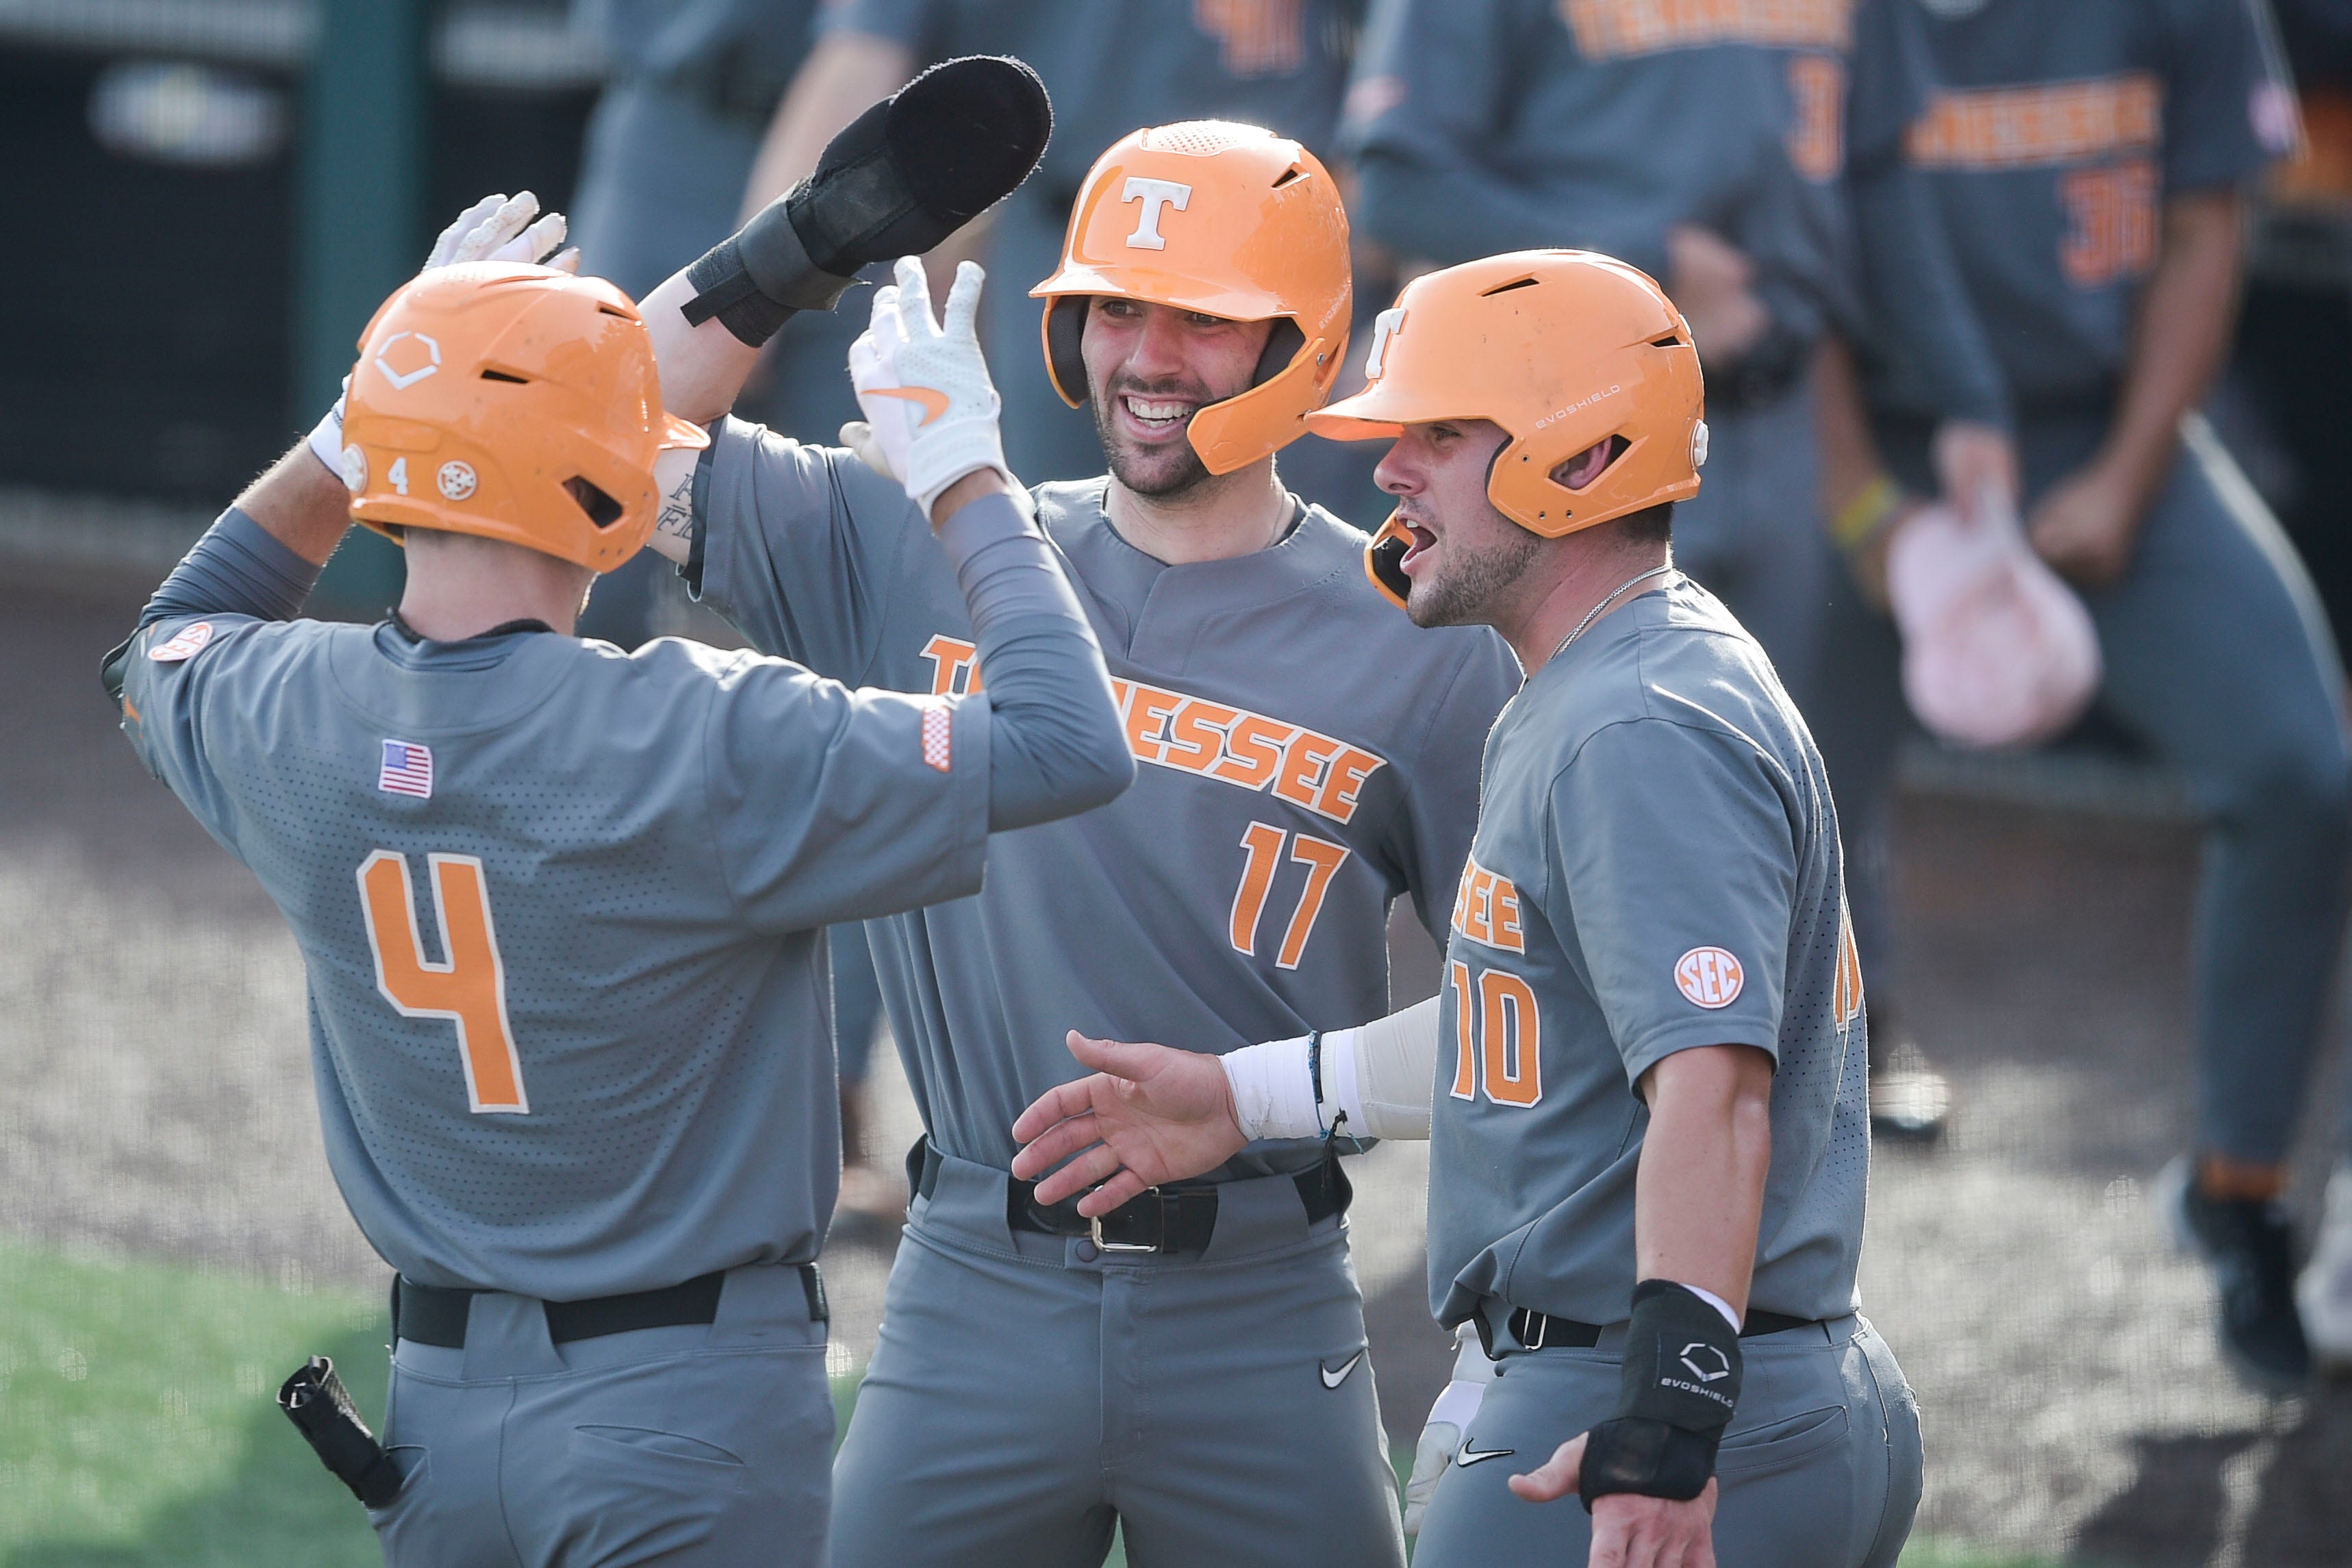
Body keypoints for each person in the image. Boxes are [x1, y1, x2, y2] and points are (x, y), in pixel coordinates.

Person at [105, 65, 1113, 1564]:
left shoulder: (277, 713)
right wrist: (968, 475)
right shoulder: (703, 731)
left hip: (441, 1434)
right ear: (626, 492)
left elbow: (170, 627)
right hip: (684, 1425)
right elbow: (1067, 742)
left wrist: (394, 388)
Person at [642, 117, 1521, 1567]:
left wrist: (1497, 1322)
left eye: (1203, 319)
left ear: (1304, 342)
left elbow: (1534, 1017)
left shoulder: (1426, 639)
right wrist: (800, 244)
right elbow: (580, 430)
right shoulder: (911, 532)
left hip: (1261, 1301)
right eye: (1115, 307)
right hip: (968, 1289)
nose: (1147, 357)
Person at [1010, 249, 1919, 1568]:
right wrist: (1241, 1100)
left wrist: (1666, 1425)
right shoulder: (1611, 677)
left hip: (1657, 1397)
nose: (1390, 471)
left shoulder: (1637, 722)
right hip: (1713, 1380)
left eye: (1440, 434)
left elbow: (1713, 1092)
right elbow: (1530, 1036)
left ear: (1581, 458)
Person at [1339, 0, 2014, 1140]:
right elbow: (1401, 188)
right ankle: (1533, 1090)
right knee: (1585, 777)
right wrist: (1642, 257)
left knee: (1799, 756)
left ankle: (1835, 1034)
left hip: (1782, 417)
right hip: (1569, 440)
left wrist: (1966, 394)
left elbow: (1881, 186)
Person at [1812, 0, 2351, 1392]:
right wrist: (1863, 510)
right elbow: (1771, 252)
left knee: (2299, 771)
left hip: (2103, 430)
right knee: (1725, 814)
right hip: (1866, 447)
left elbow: (2204, 231)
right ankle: (1677, 1262)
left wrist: (2124, 476)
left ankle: (2239, 1188)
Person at [746, 0, 1365, 488]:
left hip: (1264, 254)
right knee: (1057, 522)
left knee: (1259, 542)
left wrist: (1353, 270)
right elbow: (864, 52)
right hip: (1064, 233)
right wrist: (767, 280)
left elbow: (1391, 83)